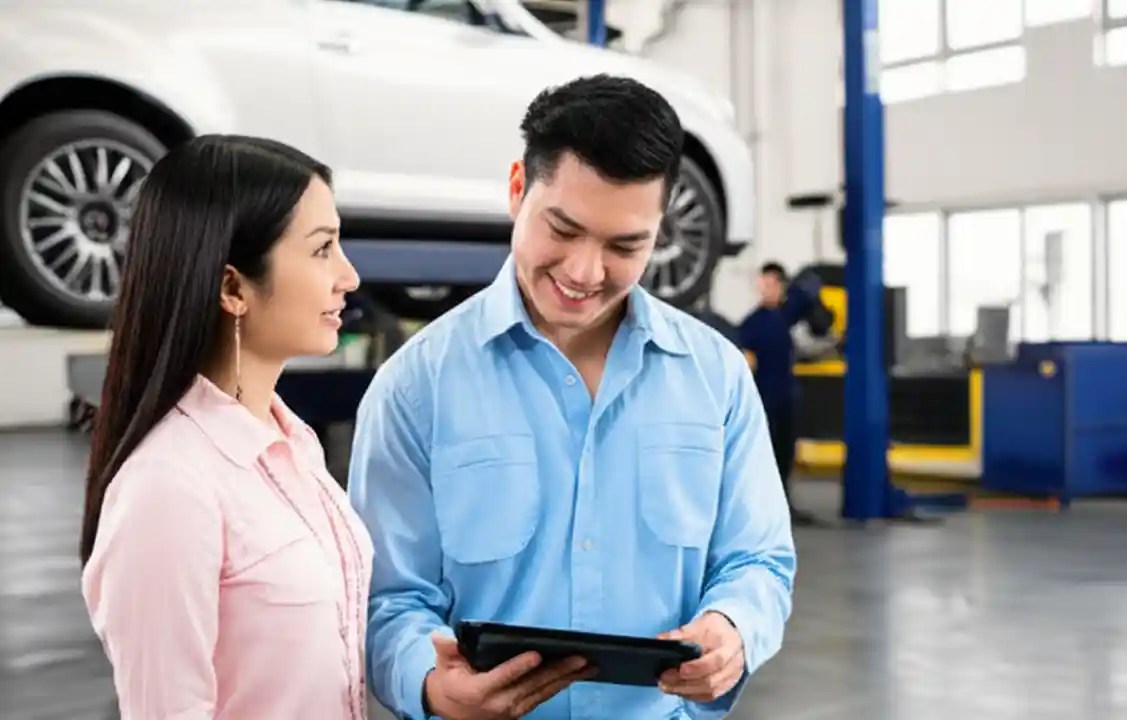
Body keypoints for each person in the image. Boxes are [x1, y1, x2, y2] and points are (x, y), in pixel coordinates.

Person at [348, 74, 796, 720]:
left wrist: (733, 627)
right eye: (562, 229)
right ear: (515, 192)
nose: (585, 272)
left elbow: (758, 559)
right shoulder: (415, 387)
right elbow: (384, 600)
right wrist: (429, 682)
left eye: (624, 246)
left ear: (659, 232)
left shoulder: (717, 378)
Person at [79, 135, 371, 719]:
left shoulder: (296, 447)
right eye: (322, 250)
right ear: (233, 287)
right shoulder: (168, 488)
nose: (350, 276)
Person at [737, 262, 825, 526]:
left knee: (787, 453)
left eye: (772, 284)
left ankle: (785, 504)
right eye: (763, 284)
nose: (766, 289)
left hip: (788, 395)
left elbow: (808, 298)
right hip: (765, 400)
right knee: (767, 455)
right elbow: (745, 361)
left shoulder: (788, 314)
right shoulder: (751, 324)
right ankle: (762, 510)